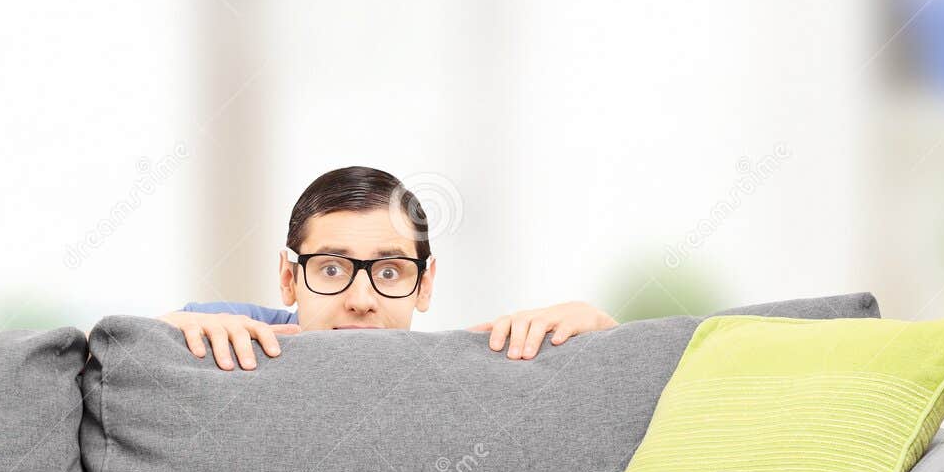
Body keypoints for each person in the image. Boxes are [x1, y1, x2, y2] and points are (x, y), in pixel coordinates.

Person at [160, 166, 616, 370]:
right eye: (332, 270)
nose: (361, 302)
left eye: (390, 272)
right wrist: (173, 331)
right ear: (288, 279)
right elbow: (118, 359)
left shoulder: (471, 366)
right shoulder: (244, 334)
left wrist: (600, 330)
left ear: (425, 283)